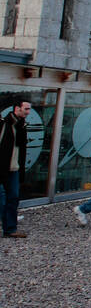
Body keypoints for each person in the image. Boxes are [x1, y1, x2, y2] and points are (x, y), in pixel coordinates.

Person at [0, 99, 31, 238]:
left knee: (13, 198)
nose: (28, 112)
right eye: (26, 109)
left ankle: (10, 229)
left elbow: (21, 150)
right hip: (2, 168)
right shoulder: (4, 124)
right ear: (17, 108)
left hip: (14, 168)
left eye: (29, 109)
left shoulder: (21, 126)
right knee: (2, 200)